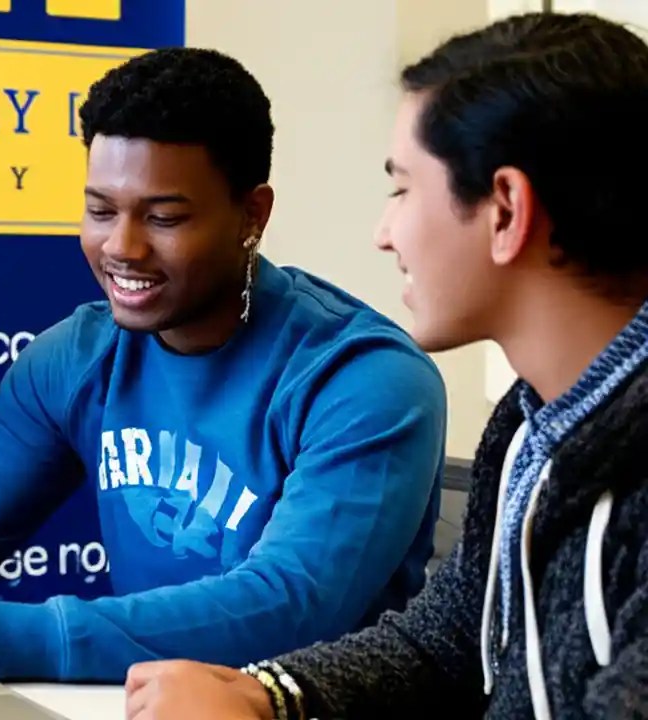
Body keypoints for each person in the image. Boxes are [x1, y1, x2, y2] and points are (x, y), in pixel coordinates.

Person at [0, 47, 450, 684]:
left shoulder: (365, 377)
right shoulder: (75, 358)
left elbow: (293, 606)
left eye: (163, 217)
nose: (122, 247)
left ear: (253, 213)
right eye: (100, 211)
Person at [122, 12, 648, 720]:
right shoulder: (530, 425)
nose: (383, 233)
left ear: (505, 212)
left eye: (402, 189)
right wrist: (268, 696)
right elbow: (448, 638)